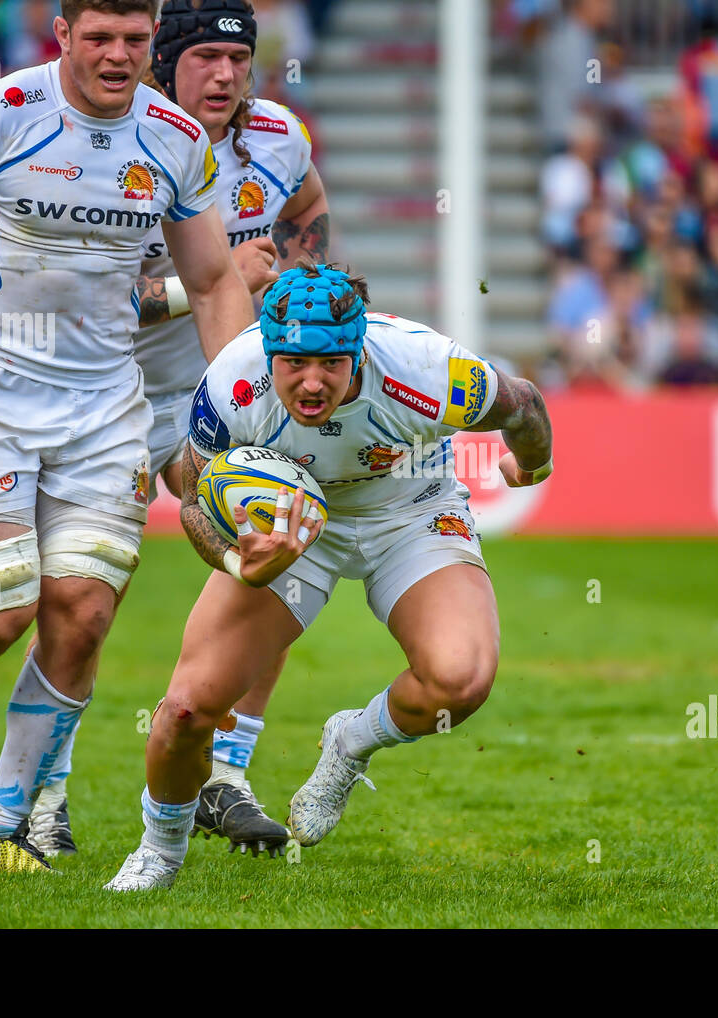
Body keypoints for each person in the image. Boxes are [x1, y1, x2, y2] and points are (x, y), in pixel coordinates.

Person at [0, 0, 255, 873]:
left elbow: (217, 280)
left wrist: (240, 413)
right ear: (61, 34)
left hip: (107, 405)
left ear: (153, 40)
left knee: (83, 613)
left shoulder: (179, 140)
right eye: (99, 38)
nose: (118, 57)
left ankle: (3, 827)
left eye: (136, 41)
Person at [103, 261, 554, 890]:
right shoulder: (231, 380)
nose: (312, 383)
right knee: (184, 711)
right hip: (293, 523)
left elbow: (525, 404)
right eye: (293, 363)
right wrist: (238, 558)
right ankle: (158, 852)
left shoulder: (425, 369)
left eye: (332, 364)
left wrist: (532, 464)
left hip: (411, 513)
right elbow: (193, 505)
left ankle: (350, 743)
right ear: (268, 348)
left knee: (461, 680)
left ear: (360, 347)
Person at [25, 0, 332, 861]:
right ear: (165, 63)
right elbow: (71, 296)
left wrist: (298, 281)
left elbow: (306, 205)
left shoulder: (277, 136)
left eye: (240, 58)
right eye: (205, 58)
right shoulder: (117, 139)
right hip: (107, 389)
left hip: (222, 390)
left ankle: (223, 772)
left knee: (271, 552)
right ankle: (45, 796)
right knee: (82, 599)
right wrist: (206, 282)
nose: (226, 75)